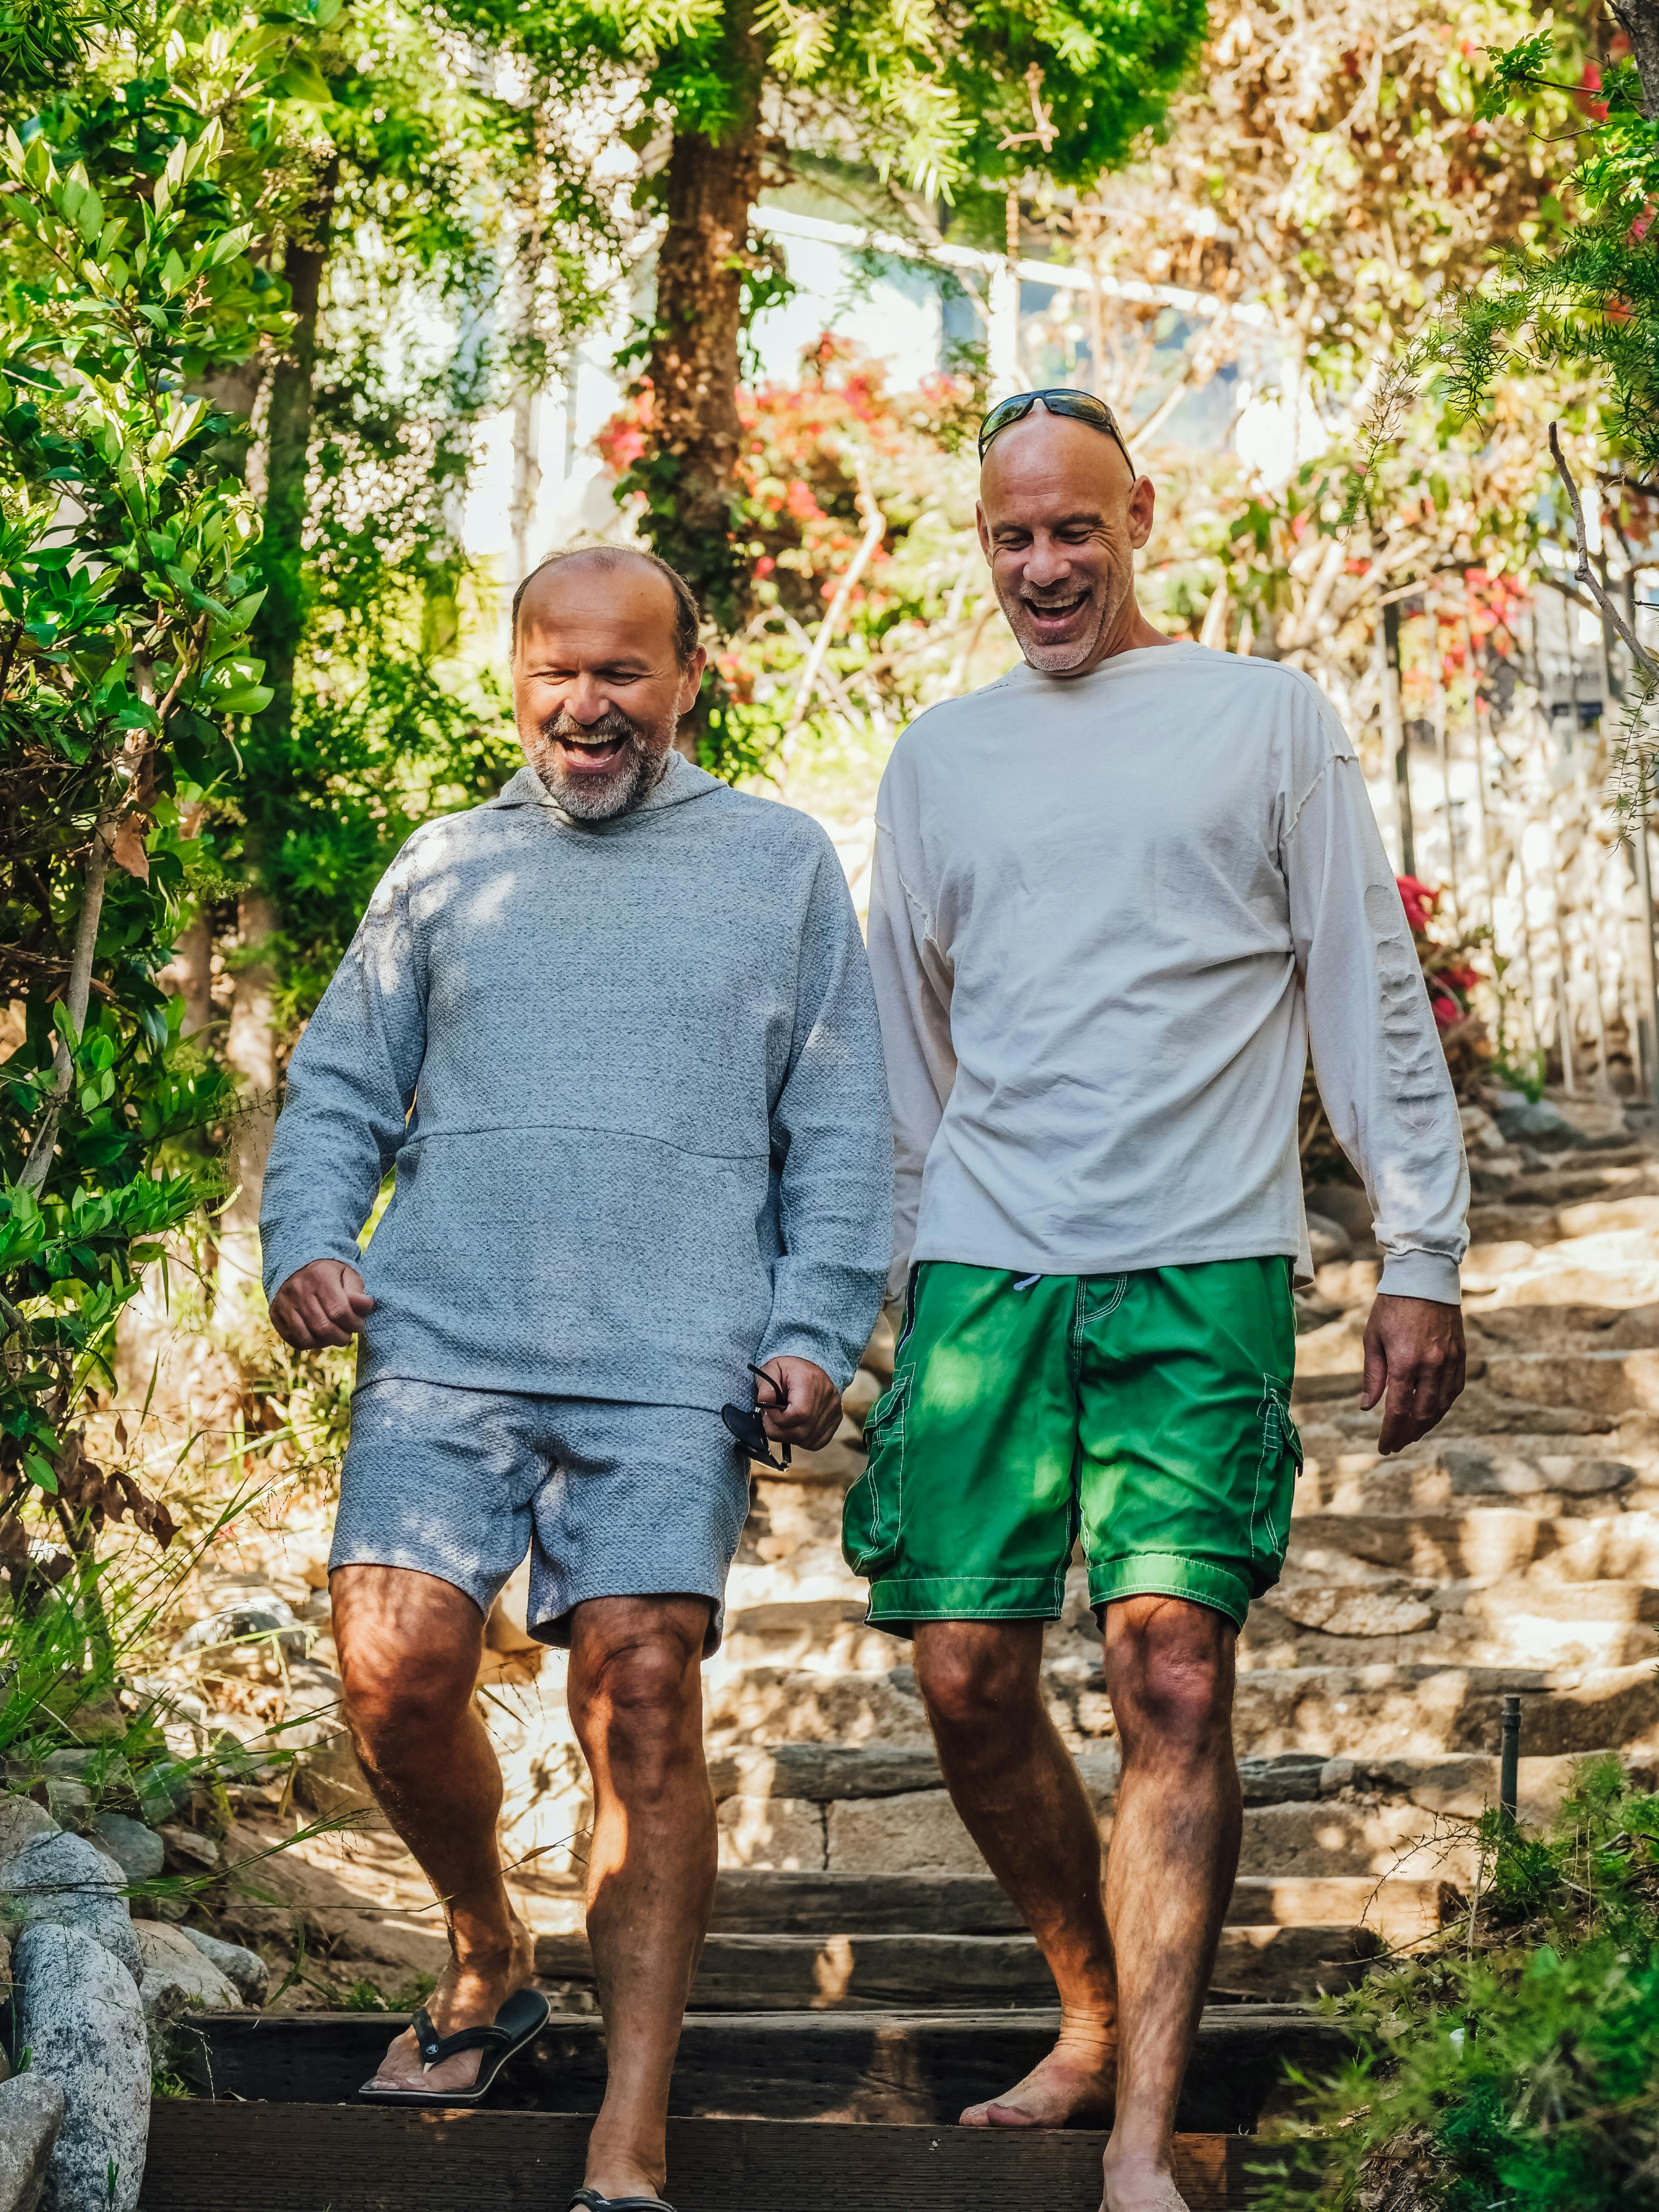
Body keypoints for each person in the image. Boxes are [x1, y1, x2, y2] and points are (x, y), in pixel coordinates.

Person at [847, 390, 1468, 2212]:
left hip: (1202, 1258)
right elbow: (906, 1049)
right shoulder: (939, 758)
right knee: (966, 1673)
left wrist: (1419, 1254)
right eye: (1012, 538)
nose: (1045, 567)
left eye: (1076, 530)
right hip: (985, 1263)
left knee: (1170, 1673)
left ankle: (1139, 2139)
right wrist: (882, 1295)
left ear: (1141, 518)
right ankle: (1092, 2006)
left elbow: (1362, 985)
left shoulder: (1262, 719)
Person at [262, 544, 891, 2212]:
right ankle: (487, 1944)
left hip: (672, 1355)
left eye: (624, 672)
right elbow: (336, 1093)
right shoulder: (443, 866)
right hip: (447, 1335)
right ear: (517, 679)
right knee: (393, 1671)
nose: (587, 704)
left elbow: (839, 1128)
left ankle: (632, 2120)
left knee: (641, 1703)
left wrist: (813, 1329)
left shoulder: (776, 864)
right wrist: (310, 1244)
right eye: (558, 671)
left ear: (690, 678)